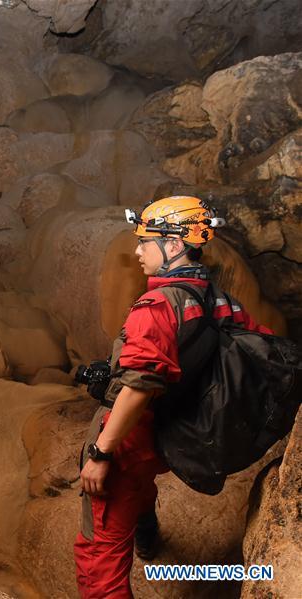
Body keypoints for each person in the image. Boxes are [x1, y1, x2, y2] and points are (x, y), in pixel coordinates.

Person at [72, 195, 271, 598]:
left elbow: (139, 385)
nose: (137, 251)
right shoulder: (217, 299)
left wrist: (100, 454)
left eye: (145, 242)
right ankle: (146, 535)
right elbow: (259, 344)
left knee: (99, 561)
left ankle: (139, 533)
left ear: (175, 245)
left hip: (132, 436)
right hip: (172, 431)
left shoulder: (156, 306)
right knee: (141, 483)